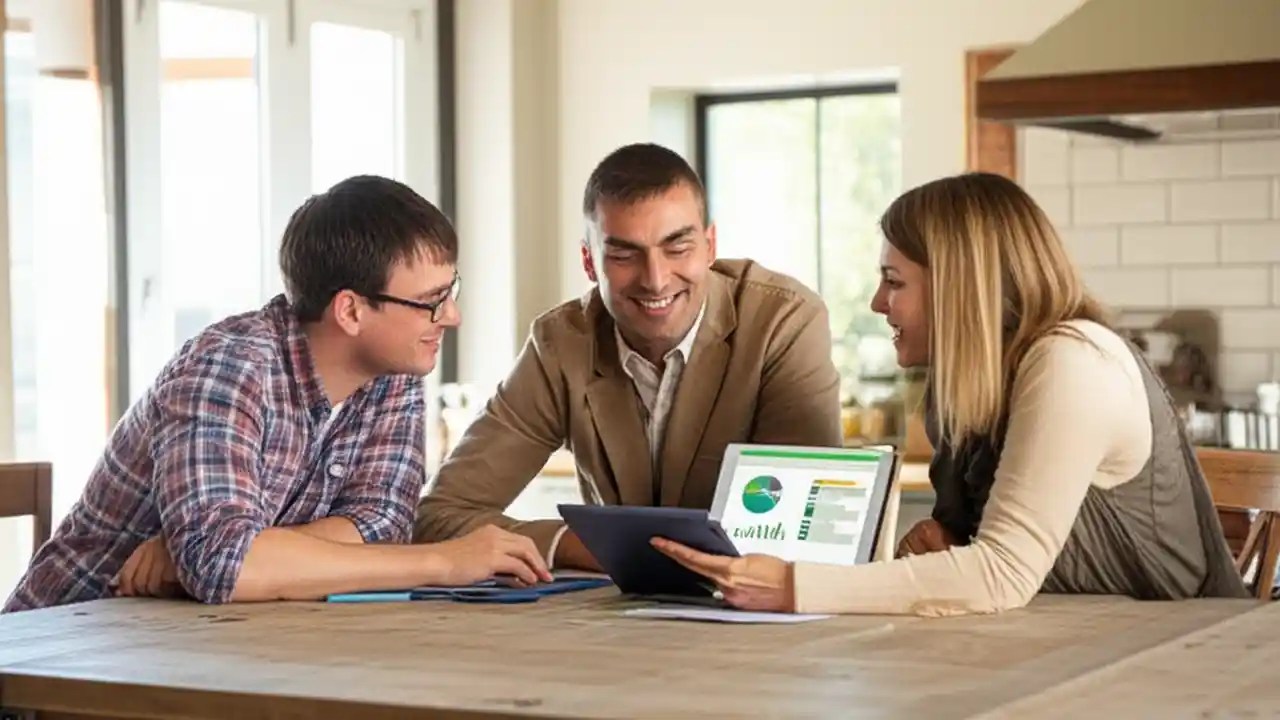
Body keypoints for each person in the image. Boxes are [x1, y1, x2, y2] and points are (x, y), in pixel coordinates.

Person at [653, 172, 1248, 615]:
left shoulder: (1073, 361)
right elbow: (984, 560)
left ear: (963, 285)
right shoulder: (962, 383)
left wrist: (789, 584)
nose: (877, 303)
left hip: (1177, 657)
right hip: (1064, 643)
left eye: (894, 281)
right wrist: (949, 543)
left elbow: (1001, 574)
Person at [4, 175, 550, 613]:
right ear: (351, 311)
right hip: (60, 657)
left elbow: (383, 523)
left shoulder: (394, 373)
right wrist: (444, 563)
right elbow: (225, 566)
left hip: (207, 643)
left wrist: (243, 554)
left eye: (450, 292)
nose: (451, 316)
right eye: (431, 301)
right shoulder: (227, 368)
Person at [416, 143, 842, 570]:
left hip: (754, 606)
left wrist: (623, 548)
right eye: (623, 255)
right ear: (589, 261)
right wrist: (579, 545)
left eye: (678, 248)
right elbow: (440, 516)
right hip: (616, 606)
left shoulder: (781, 321)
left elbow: (804, 531)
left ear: (710, 245)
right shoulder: (561, 344)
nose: (655, 280)